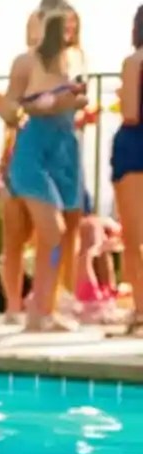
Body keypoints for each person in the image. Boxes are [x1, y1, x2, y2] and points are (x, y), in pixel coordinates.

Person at [0, 7, 88, 331]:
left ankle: (43, 311)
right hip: (33, 148)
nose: (69, 30)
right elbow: (10, 108)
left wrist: (74, 102)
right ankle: (34, 310)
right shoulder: (25, 62)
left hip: (64, 150)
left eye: (74, 25)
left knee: (59, 238)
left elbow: (77, 101)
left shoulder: (77, 59)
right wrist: (39, 104)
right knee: (51, 232)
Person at [113, 4, 143, 334]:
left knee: (135, 237)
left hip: (135, 149)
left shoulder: (134, 62)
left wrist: (123, 94)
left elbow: (131, 112)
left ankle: (141, 311)